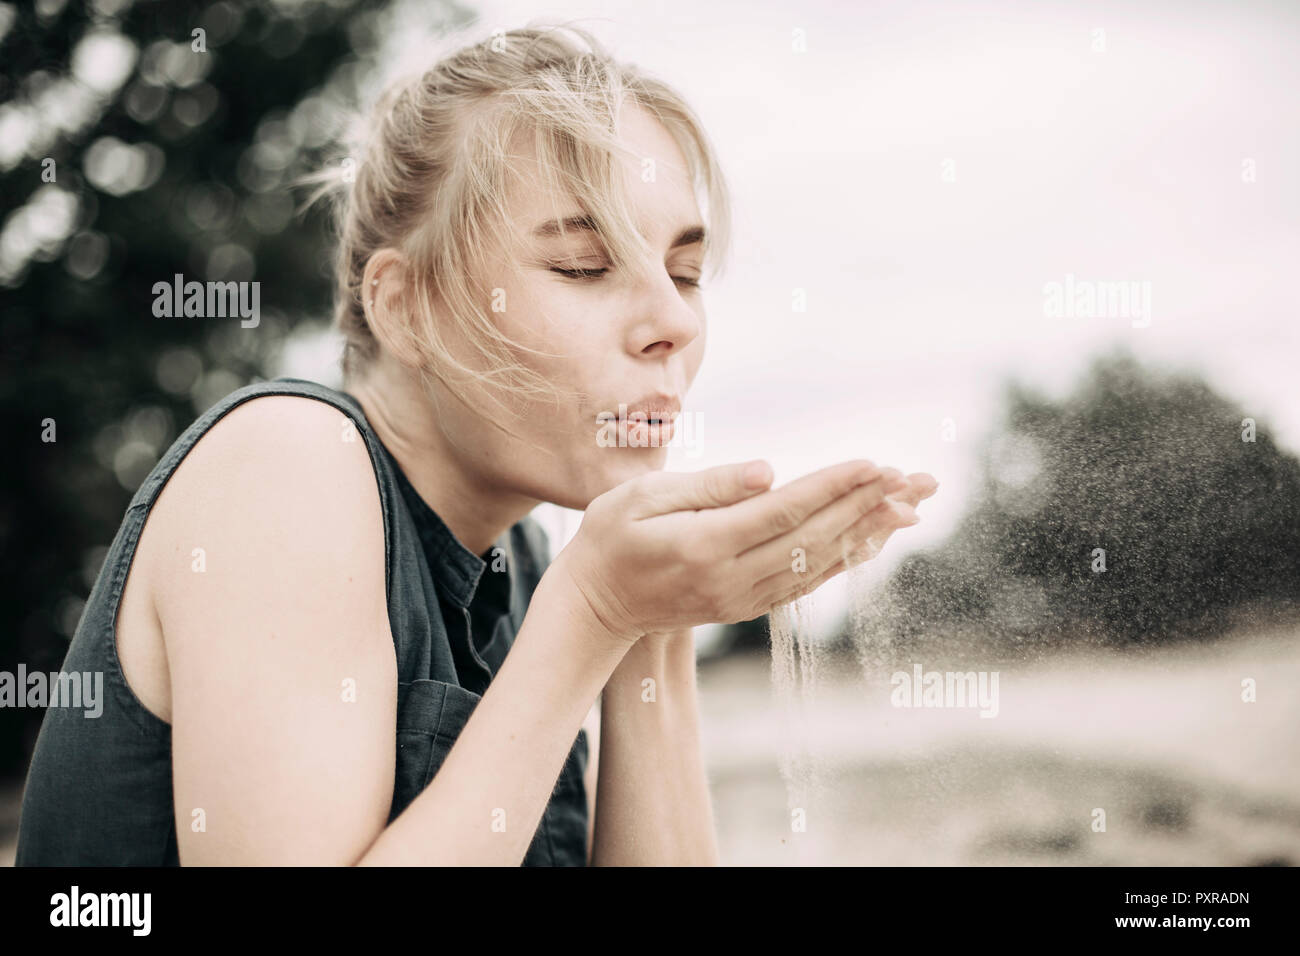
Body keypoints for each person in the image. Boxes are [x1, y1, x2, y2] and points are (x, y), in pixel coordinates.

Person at [16, 22, 936, 866]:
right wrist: (596, 616)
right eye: (584, 265)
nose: (673, 320)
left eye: (684, 271)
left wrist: (654, 628)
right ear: (405, 306)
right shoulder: (286, 464)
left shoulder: (532, 564)